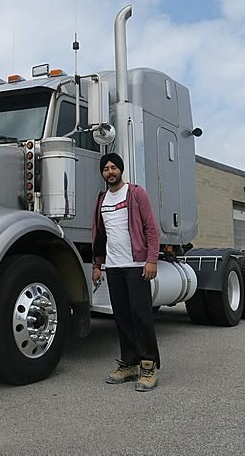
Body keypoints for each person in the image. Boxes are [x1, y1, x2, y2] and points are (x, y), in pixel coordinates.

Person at [92, 153, 160, 391]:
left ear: (120, 170)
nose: (110, 172)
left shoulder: (135, 193)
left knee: (141, 316)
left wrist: (151, 260)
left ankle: (148, 366)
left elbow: (151, 228)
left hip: (136, 265)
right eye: (106, 168)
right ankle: (130, 364)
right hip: (113, 267)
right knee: (121, 317)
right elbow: (99, 234)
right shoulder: (101, 200)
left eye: (114, 167)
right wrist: (97, 265)